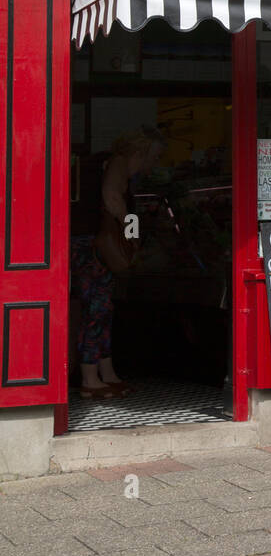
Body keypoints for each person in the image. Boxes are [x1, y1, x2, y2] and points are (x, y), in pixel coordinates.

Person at [70, 126, 164, 401]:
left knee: (103, 309)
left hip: (90, 246)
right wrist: (131, 235)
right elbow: (112, 198)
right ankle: (90, 378)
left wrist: (131, 231)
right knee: (96, 309)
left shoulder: (115, 167)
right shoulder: (119, 163)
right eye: (156, 155)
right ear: (141, 151)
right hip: (92, 249)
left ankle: (106, 373)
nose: (156, 162)